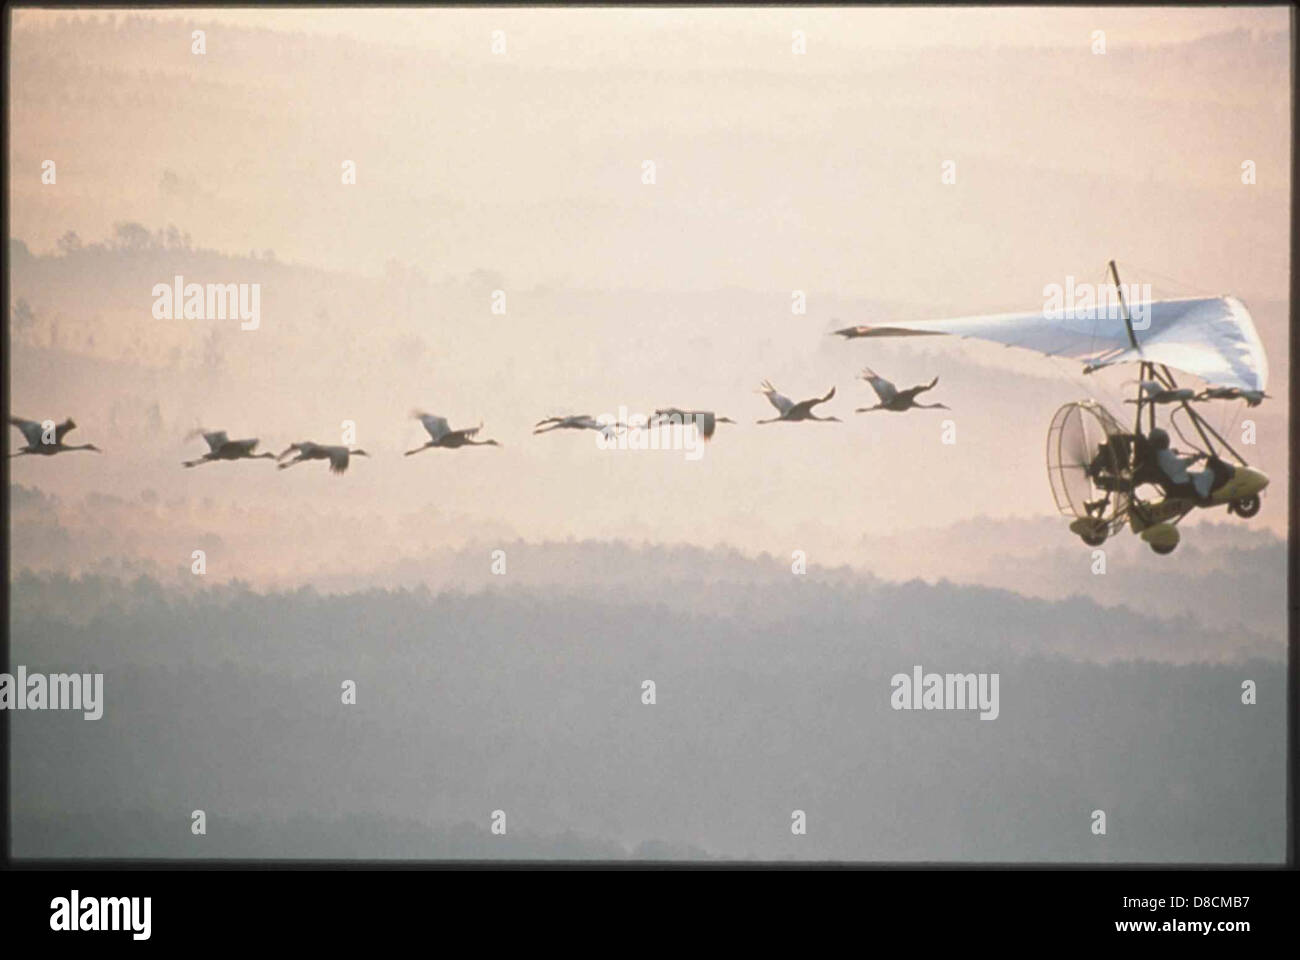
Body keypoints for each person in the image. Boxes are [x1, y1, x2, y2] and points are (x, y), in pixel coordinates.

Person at [1148, 427, 1222, 501]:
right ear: (1159, 442)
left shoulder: (1160, 453)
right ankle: (1205, 497)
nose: (1166, 441)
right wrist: (1195, 458)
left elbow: (1169, 460)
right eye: (1163, 440)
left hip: (1178, 480)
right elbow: (1178, 465)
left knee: (1202, 476)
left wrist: (1172, 452)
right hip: (1180, 484)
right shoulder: (1162, 456)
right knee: (1206, 477)